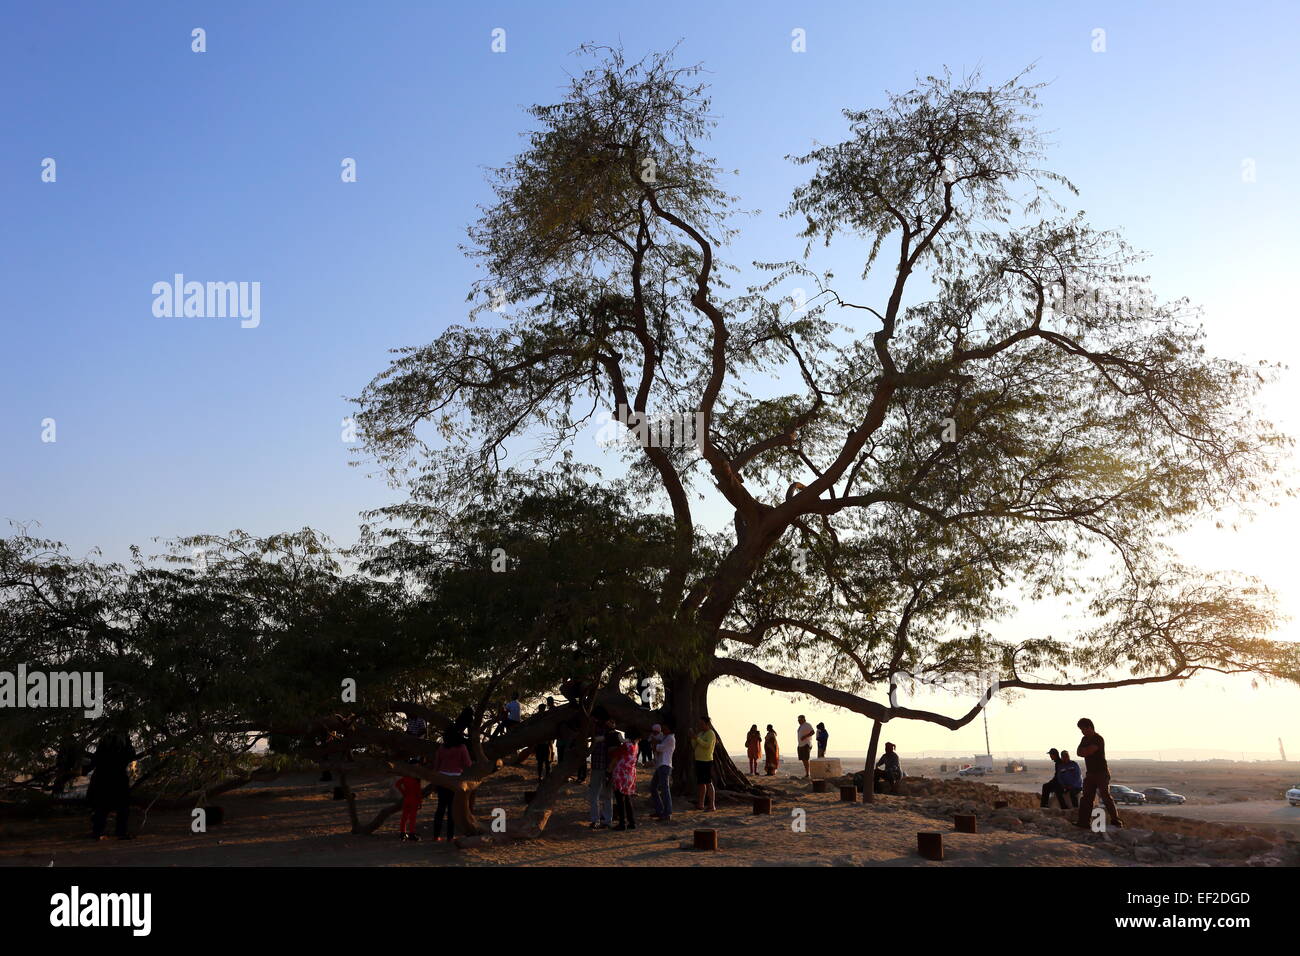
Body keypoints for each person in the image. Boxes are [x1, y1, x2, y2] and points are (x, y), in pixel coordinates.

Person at [1074, 718, 1123, 829]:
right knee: (1086, 798)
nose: (1082, 732)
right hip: (1090, 773)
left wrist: (1085, 751)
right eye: (1081, 730)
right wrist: (1085, 750)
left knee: (1105, 796)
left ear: (1089, 727)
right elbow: (1079, 752)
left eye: (1083, 729)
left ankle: (1115, 821)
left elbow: (1087, 751)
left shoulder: (1098, 739)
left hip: (1101, 772)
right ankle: (1083, 822)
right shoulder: (1084, 739)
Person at [86, 729, 135, 840]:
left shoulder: (103, 746)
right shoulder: (123, 744)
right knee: (122, 808)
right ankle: (120, 832)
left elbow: (94, 761)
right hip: (117, 779)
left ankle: (98, 832)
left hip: (102, 780)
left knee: (102, 808)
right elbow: (131, 755)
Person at [432, 727, 472, 842]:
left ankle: (436, 836)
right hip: (455, 780)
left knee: (440, 808)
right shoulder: (461, 748)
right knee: (451, 809)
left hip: (442, 779)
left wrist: (435, 781)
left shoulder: (441, 748)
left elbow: (436, 766)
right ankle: (450, 836)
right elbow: (468, 764)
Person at [588, 711, 617, 829]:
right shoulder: (607, 731)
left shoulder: (607, 732)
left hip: (603, 767)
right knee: (604, 795)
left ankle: (599, 820)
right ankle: (605, 820)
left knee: (597, 795)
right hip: (602, 767)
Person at [610, 731, 638, 830]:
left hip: (621, 773)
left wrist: (608, 770)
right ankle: (632, 822)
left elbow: (615, 757)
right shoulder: (635, 746)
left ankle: (622, 823)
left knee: (619, 799)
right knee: (627, 798)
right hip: (630, 774)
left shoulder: (626, 745)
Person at [690, 715, 717, 811]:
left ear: (707, 724)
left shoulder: (711, 733)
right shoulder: (701, 733)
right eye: (699, 724)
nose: (700, 725)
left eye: (701, 724)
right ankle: (700, 804)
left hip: (706, 761)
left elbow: (707, 746)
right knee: (701, 783)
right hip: (699, 760)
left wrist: (696, 738)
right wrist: (693, 738)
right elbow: (694, 746)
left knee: (708, 782)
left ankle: (712, 805)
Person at [394, 759, 424, 842]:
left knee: (404, 816)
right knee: (412, 818)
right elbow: (418, 791)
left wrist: (404, 793)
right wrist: (420, 801)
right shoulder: (416, 777)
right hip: (414, 799)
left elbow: (397, 784)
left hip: (407, 798)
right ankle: (411, 834)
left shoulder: (406, 776)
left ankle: (402, 833)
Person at [650, 722, 675, 821]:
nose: (663, 729)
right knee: (654, 787)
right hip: (660, 765)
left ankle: (667, 812)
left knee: (664, 789)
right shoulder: (665, 737)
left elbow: (658, 748)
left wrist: (654, 742)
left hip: (665, 765)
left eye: (665, 727)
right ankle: (660, 810)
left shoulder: (670, 738)